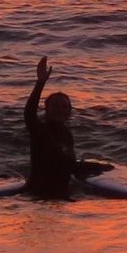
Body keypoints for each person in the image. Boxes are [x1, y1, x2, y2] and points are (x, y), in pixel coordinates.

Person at [24, 57, 106, 199]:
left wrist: (100, 167)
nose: (60, 110)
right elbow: (29, 113)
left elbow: (70, 165)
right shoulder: (40, 131)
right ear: (47, 109)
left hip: (62, 195)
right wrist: (40, 83)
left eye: (65, 107)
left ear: (69, 112)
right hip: (39, 194)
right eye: (55, 106)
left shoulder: (67, 134)